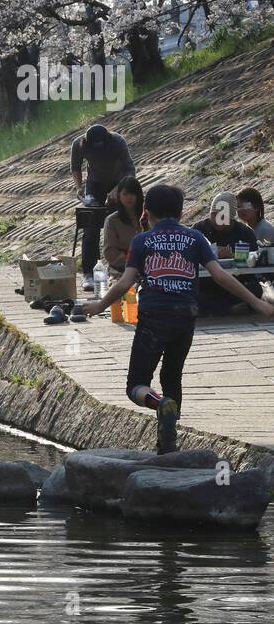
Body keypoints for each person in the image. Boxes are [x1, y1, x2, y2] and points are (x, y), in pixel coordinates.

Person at [83, 184, 274, 453]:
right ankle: (168, 439)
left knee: (136, 384)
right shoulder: (195, 238)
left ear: (147, 212)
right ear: (181, 213)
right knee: (172, 376)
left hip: (153, 317)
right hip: (185, 317)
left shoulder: (142, 240)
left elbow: (126, 281)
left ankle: (159, 404)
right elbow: (221, 276)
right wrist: (256, 302)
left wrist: (99, 304)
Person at [71, 124, 135, 291]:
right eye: (94, 147)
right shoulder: (78, 144)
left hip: (118, 181)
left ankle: (120, 271)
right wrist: (79, 187)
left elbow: (130, 170)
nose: (98, 149)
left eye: (101, 146)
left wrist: (117, 190)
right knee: (90, 228)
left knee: (118, 227)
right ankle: (88, 274)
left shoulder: (117, 141)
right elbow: (75, 167)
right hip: (94, 185)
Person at [193, 191, 261, 316]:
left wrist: (234, 256)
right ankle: (226, 308)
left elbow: (254, 259)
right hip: (206, 282)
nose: (218, 220)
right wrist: (209, 254)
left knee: (255, 288)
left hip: (235, 282)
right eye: (214, 215)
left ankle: (214, 308)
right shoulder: (199, 229)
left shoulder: (245, 232)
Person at [101, 176, 144, 277]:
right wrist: (132, 262)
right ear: (119, 195)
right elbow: (109, 251)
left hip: (148, 268)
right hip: (121, 271)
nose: (129, 197)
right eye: (125, 194)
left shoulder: (148, 217)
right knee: (129, 291)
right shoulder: (112, 221)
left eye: (133, 194)